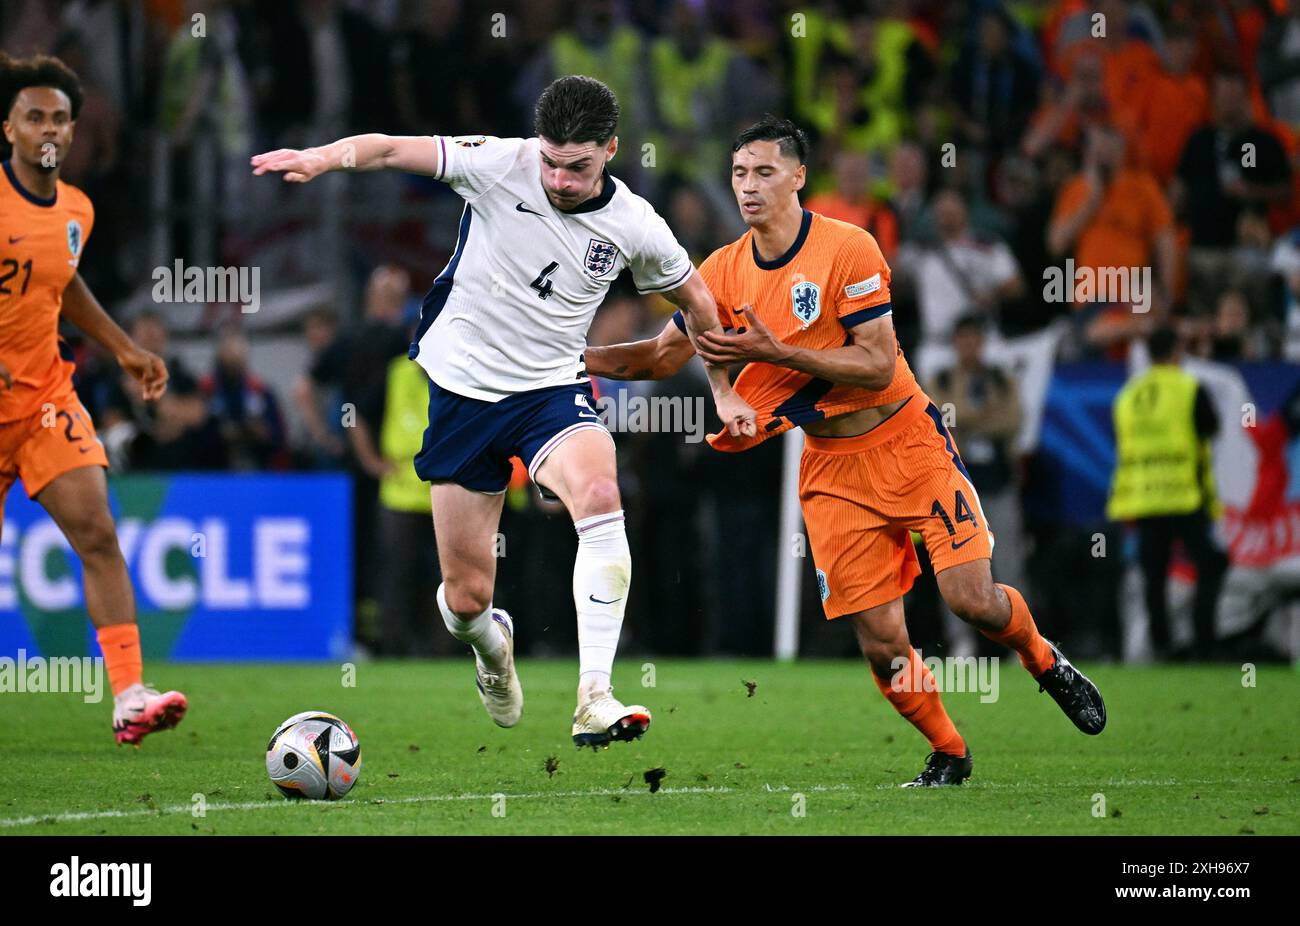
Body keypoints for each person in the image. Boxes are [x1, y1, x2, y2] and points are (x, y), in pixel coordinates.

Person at [585, 117, 1106, 787]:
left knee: (971, 598)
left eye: (764, 172)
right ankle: (949, 751)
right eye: (740, 174)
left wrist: (774, 351)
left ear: (798, 177)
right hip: (831, 472)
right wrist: (571, 355)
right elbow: (660, 355)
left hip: (907, 442)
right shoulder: (720, 274)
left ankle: (1043, 660)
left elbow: (878, 362)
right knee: (884, 643)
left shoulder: (847, 248)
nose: (749, 187)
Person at [252, 74, 753, 748]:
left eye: (577, 166)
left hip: (551, 391)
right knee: (463, 601)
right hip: (462, 393)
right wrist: (321, 157)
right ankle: (493, 648)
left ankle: (595, 695)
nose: (560, 178)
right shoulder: (498, 163)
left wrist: (722, 390)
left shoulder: (635, 223)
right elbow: (391, 149)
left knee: (601, 494)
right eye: (550, 160)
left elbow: (698, 302)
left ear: (610, 149)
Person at [0, 53, 186, 745]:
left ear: (73, 132)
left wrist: (126, 350)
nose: (48, 128)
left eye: (59, 118)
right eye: (33, 117)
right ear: (9, 129)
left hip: (45, 400)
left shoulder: (77, 209)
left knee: (99, 533)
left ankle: (131, 695)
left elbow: (63, 283)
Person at [1107, 327, 1227, 660]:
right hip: (1183, 494)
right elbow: (1211, 428)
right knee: (1212, 563)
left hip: (1144, 498)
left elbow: (1123, 443)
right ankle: (1205, 643)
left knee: (1153, 575)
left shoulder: (1128, 395)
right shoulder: (1188, 388)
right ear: (1176, 352)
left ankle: (1162, 646)